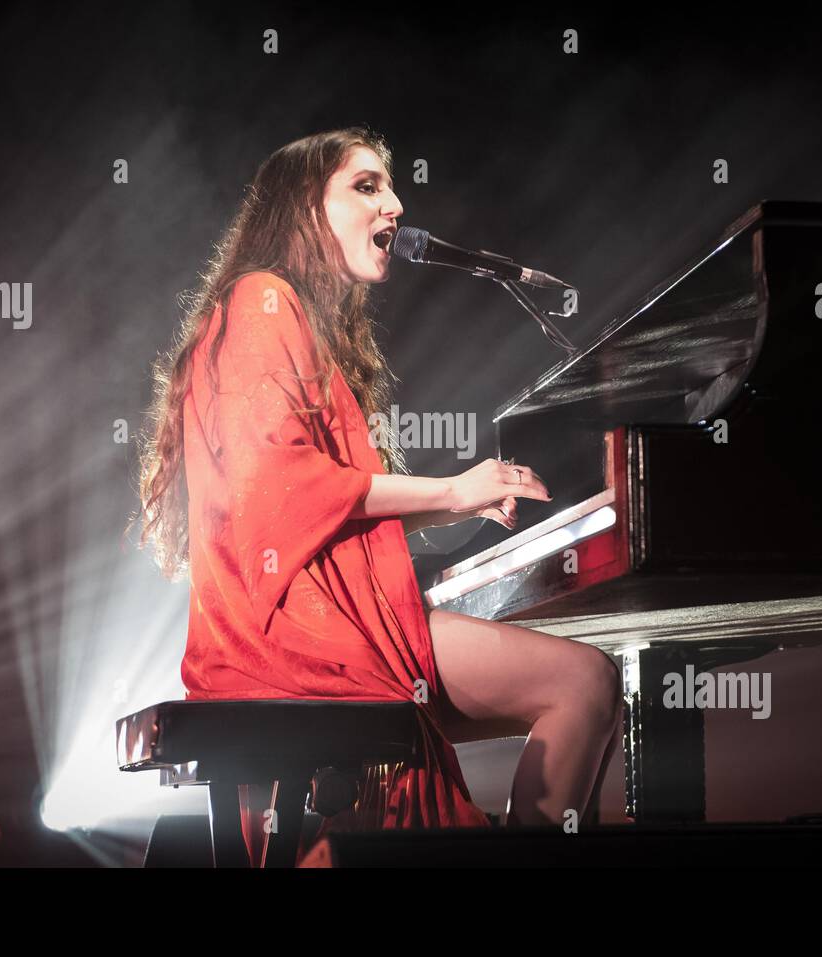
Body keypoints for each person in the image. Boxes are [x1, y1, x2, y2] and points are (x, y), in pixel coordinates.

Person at [131, 127, 622, 863]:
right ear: (305, 205)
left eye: (390, 186)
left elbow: (319, 497)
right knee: (583, 680)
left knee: (578, 681)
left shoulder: (284, 312)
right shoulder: (264, 299)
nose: (394, 203)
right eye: (366, 186)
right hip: (296, 637)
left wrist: (457, 501)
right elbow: (285, 482)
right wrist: (453, 490)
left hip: (297, 623)